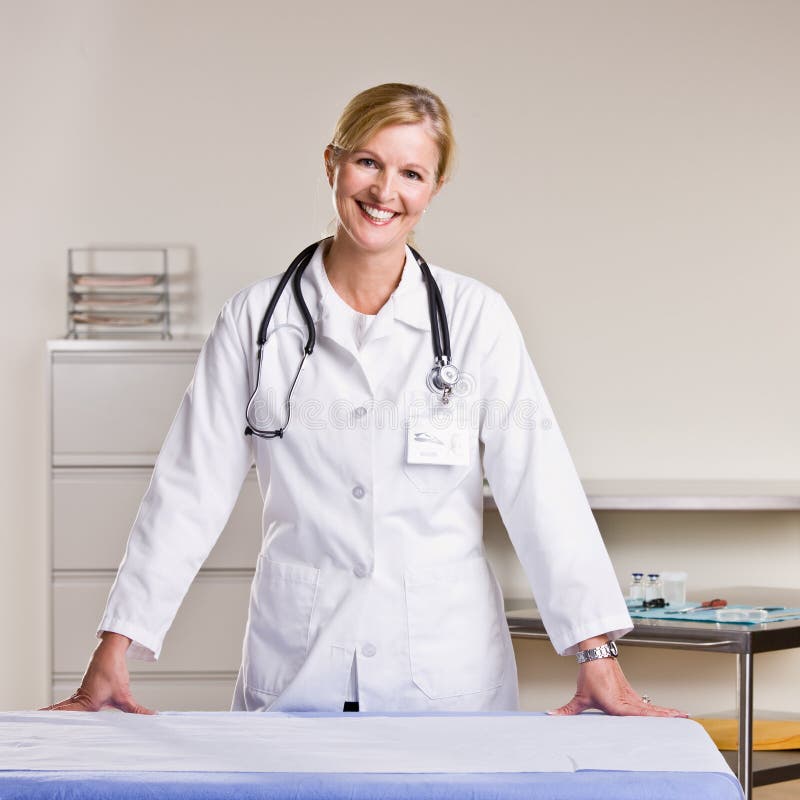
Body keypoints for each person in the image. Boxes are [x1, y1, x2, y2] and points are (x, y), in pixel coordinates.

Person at [45, 83, 685, 719]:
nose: (385, 191)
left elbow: (539, 486)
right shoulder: (255, 321)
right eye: (368, 162)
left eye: (411, 172)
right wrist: (118, 642)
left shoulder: (474, 318)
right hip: (300, 661)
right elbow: (189, 488)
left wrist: (594, 652)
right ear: (332, 163)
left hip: (445, 670)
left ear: (433, 190)